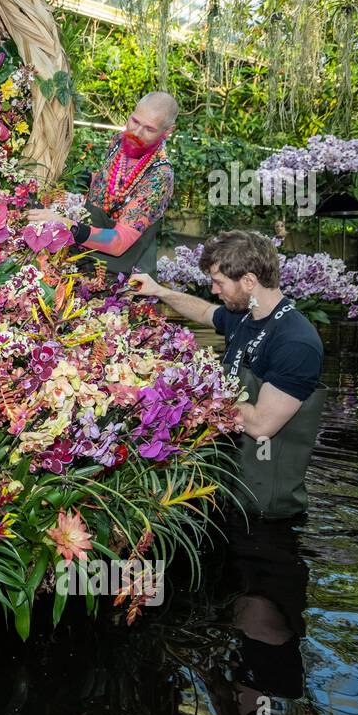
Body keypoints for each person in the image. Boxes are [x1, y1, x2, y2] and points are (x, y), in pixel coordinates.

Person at [130, 230, 326, 519]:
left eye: (219, 282)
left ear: (249, 281)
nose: (213, 290)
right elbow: (206, 312)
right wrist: (158, 291)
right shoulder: (246, 316)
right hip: (228, 490)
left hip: (263, 511)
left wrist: (190, 392)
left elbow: (261, 425)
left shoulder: (296, 342)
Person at [27, 91, 178, 277]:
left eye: (149, 129)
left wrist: (66, 224)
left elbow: (118, 243)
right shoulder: (119, 141)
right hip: (83, 255)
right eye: (135, 121)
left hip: (117, 275)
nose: (136, 133)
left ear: (168, 131)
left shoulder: (160, 176)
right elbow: (112, 183)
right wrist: (67, 181)